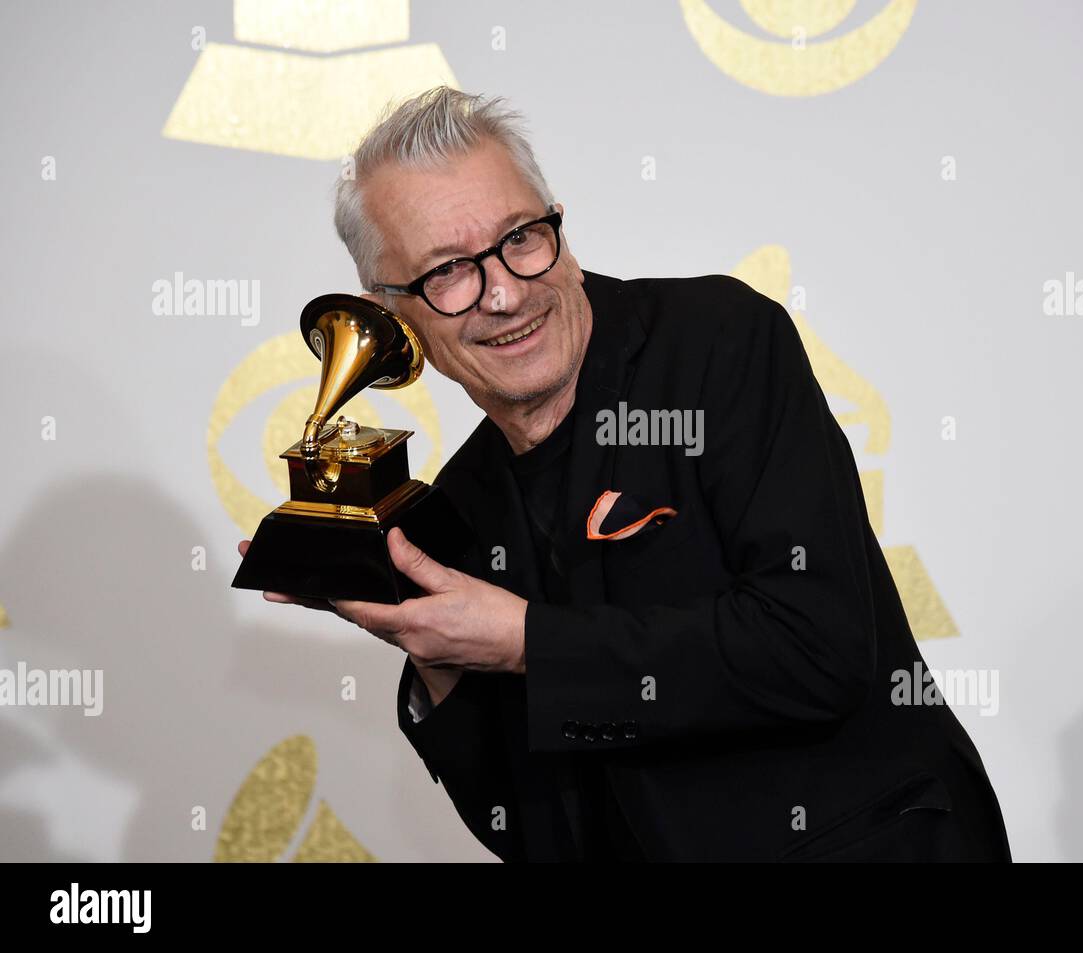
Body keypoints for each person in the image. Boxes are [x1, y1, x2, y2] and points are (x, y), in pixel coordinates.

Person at [241, 86, 1013, 862]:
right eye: (448, 271)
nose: (505, 291)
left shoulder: (721, 343)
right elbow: (532, 830)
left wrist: (525, 641)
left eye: (521, 237)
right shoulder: (466, 502)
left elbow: (816, 647)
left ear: (562, 233)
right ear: (393, 315)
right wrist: (434, 649)